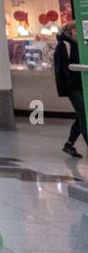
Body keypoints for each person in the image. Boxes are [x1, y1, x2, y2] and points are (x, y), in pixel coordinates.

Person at [54, 22, 86, 158]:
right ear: (70, 31)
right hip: (72, 88)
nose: (78, 32)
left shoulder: (76, 45)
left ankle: (69, 144)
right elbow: (60, 70)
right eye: (76, 29)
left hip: (80, 86)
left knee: (80, 116)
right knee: (84, 115)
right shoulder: (63, 45)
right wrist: (69, 87)